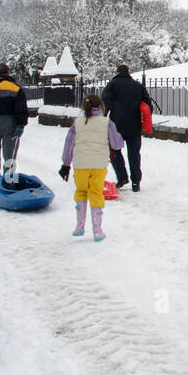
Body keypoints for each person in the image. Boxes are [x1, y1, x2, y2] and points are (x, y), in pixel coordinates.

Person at [59, 93, 123, 242]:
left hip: (80, 164)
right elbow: (117, 144)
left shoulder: (77, 123)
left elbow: (69, 145)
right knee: (95, 192)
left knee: (81, 191)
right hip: (98, 164)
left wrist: (65, 164)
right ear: (101, 107)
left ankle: (80, 226)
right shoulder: (106, 122)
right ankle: (97, 230)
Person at [102, 64, 154, 192]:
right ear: (129, 72)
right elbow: (148, 106)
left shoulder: (112, 85)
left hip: (116, 126)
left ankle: (122, 177)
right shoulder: (138, 86)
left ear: (117, 72)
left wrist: (101, 119)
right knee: (134, 154)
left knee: (114, 150)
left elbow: (104, 104)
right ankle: (136, 182)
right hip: (134, 125)